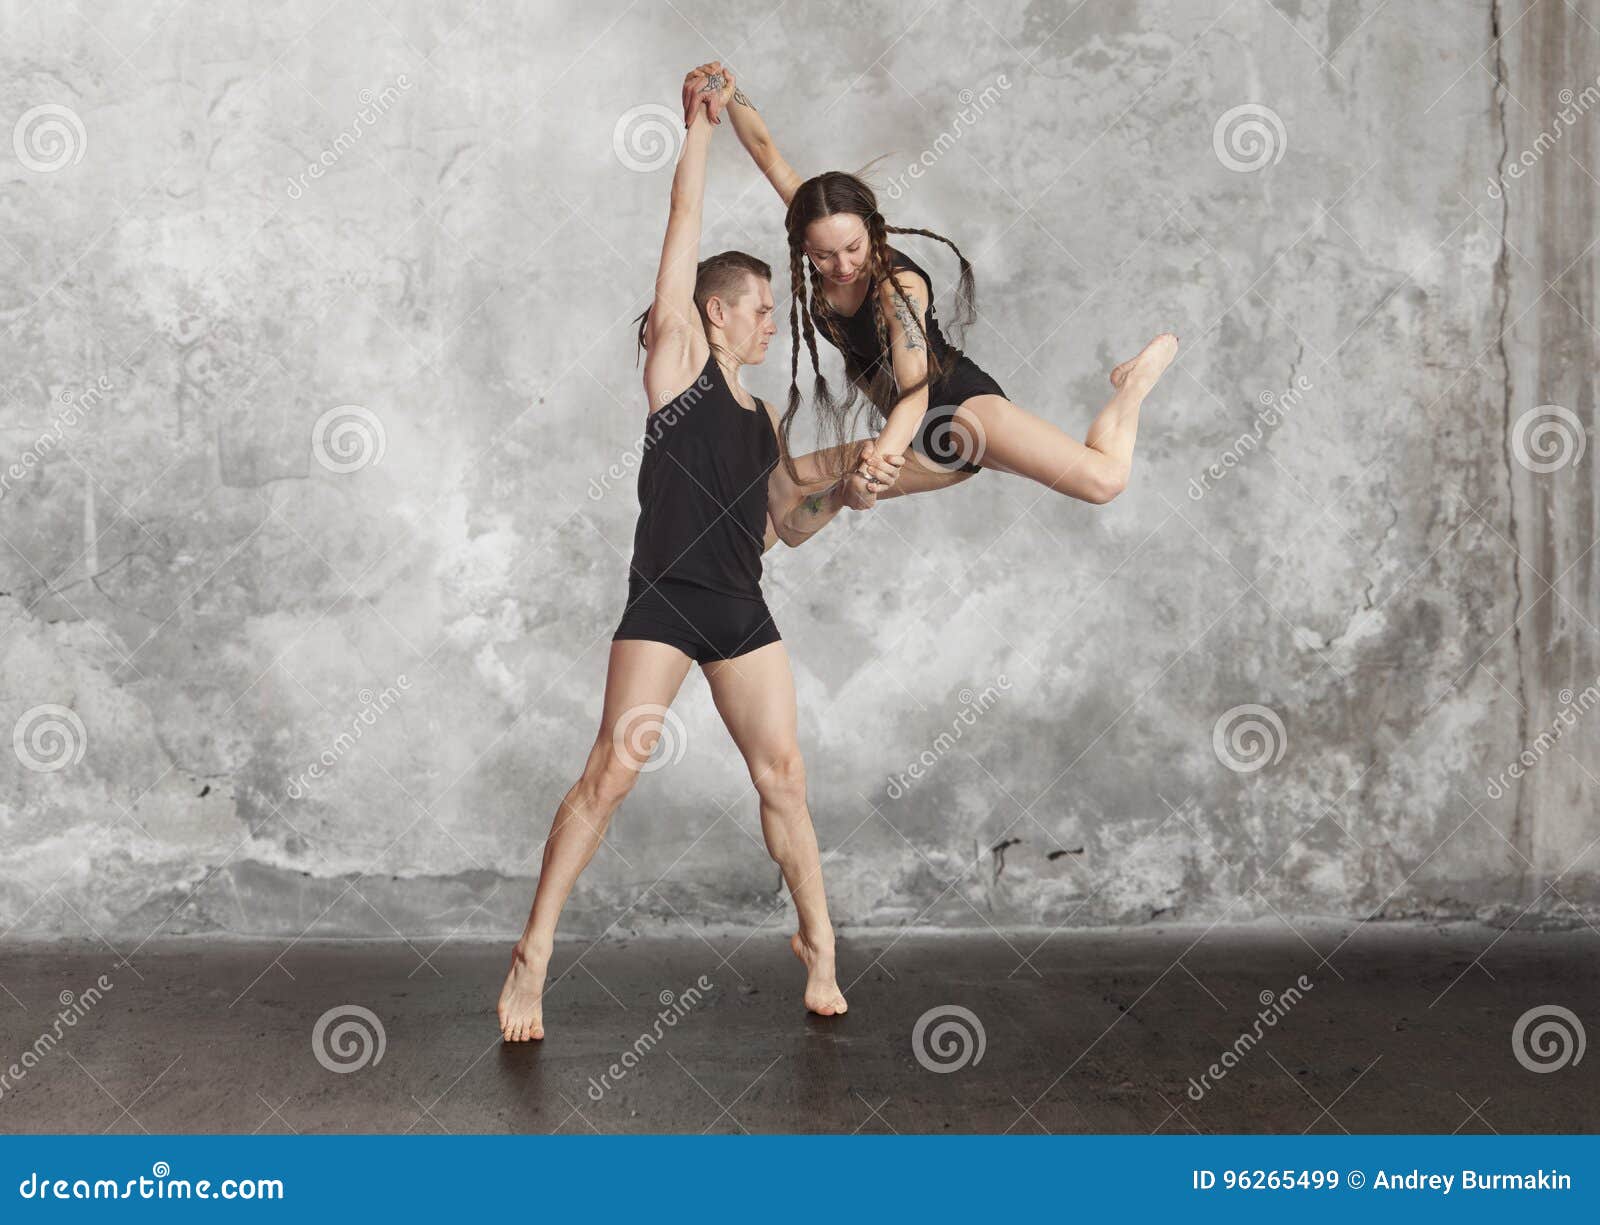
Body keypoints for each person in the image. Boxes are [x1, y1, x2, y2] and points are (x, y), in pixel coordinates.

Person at [497, 79, 877, 1042]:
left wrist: (845, 495)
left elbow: (783, 526)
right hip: (666, 602)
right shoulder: (675, 370)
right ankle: (532, 953)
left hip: (739, 609)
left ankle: (820, 942)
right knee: (611, 777)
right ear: (714, 314)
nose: (770, 324)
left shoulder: (760, 419)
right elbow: (684, 217)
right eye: (757, 310)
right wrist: (699, 127)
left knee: (783, 775)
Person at [681, 62, 1178, 514]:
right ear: (805, 244)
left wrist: (881, 460)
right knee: (777, 493)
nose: (842, 265)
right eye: (824, 255)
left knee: (1103, 480)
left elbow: (915, 390)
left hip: (956, 409)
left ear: (872, 228)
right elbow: (766, 152)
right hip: (915, 441)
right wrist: (728, 88)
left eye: (853, 247)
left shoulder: (899, 289)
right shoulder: (820, 220)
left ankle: (1134, 385)